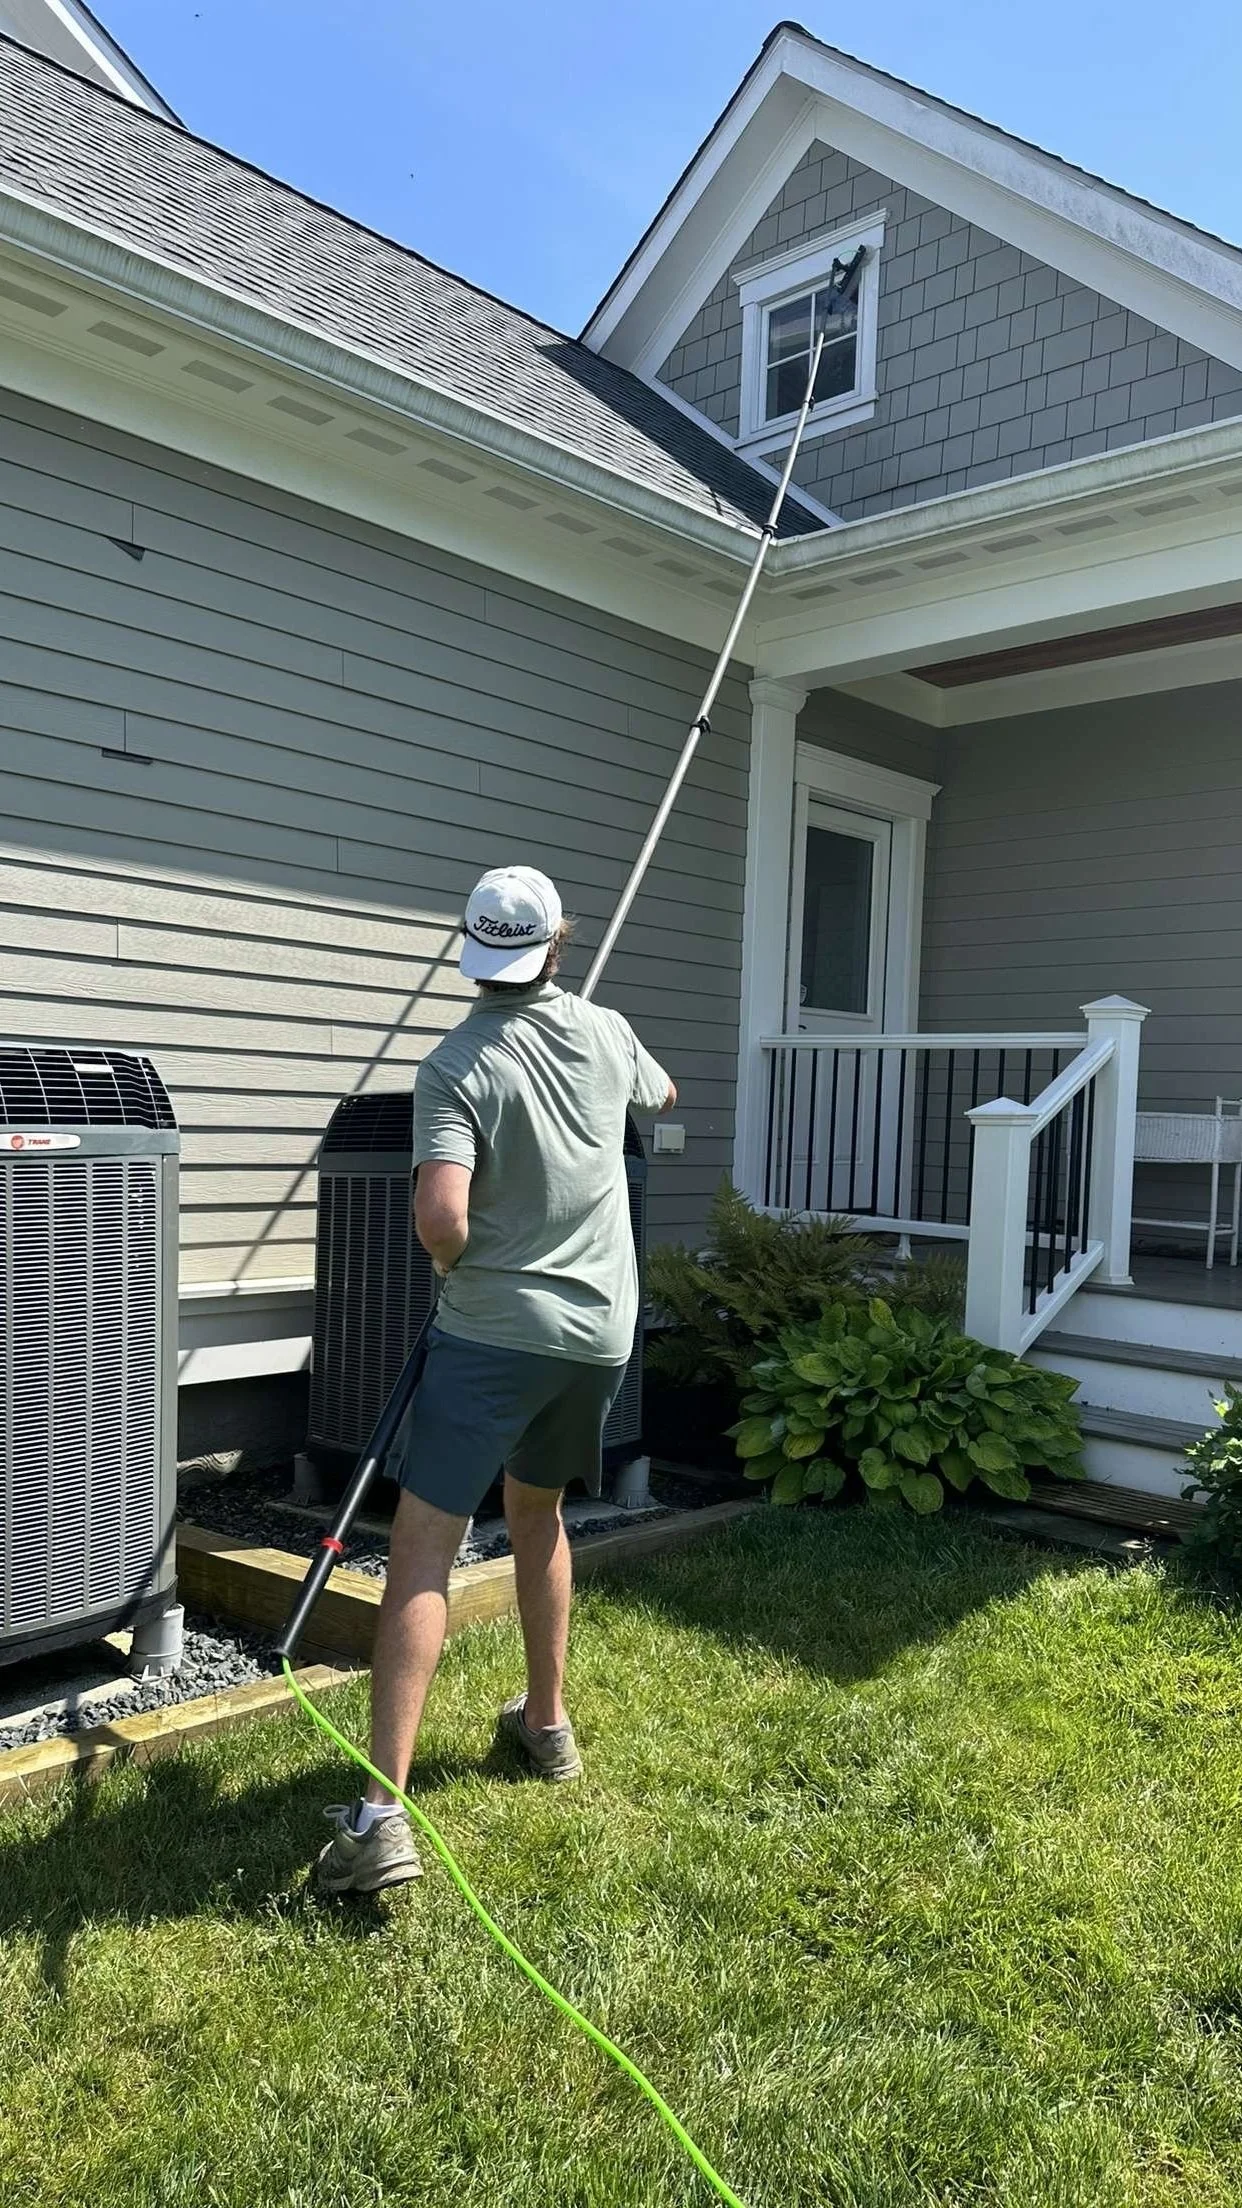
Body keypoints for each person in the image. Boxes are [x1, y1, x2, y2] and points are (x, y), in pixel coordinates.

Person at [316, 864, 675, 1893]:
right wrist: (594, 1047)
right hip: (597, 1336)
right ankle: (547, 1725)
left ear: (472, 951)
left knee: (424, 1546)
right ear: (558, 944)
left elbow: (441, 1217)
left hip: (492, 1336)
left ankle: (380, 1818)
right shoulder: (609, 1032)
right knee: (537, 1511)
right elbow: (663, 1093)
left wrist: (450, 1263)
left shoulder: (456, 1062)